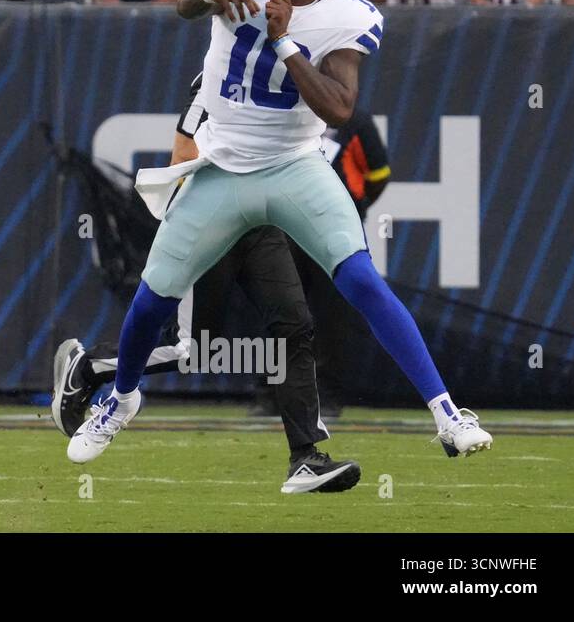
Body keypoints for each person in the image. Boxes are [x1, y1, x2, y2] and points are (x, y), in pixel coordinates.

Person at [66, 0, 494, 467]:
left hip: (294, 166)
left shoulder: (349, 13)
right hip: (220, 168)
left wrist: (286, 42)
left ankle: (447, 413)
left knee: (363, 281)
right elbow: (186, 5)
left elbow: (339, 108)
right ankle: (120, 400)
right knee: (151, 299)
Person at [52, 73, 361, 494]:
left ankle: (305, 456)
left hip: (263, 222)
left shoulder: (296, 59)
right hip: (214, 213)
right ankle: (90, 367)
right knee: (191, 349)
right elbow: (184, 146)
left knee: (294, 326)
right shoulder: (223, 66)